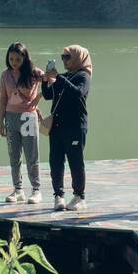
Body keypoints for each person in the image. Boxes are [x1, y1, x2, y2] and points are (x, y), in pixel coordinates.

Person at [41, 45, 92, 212]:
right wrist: (45, 80)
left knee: (75, 162)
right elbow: (49, 95)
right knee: (55, 162)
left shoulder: (84, 76)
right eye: (62, 56)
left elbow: (78, 93)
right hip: (57, 126)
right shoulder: (64, 77)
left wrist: (59, 79)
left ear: (78, 58)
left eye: (67, 57)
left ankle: (79, 196)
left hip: (75, 126)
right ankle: (58, 195)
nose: (64, 60)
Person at [0, 42, 45, 204]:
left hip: (28, 117)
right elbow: (3, 98)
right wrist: (1, 122)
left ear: (24, 59)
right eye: (11, 59)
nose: (14, 62)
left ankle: (36, 190)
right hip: (11, 117)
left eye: (17, 59)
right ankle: (18, 190)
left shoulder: (33, 73)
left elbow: (52, 82)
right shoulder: (5, 75)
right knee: (14, 155)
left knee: (31, 155)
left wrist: (38, 97)